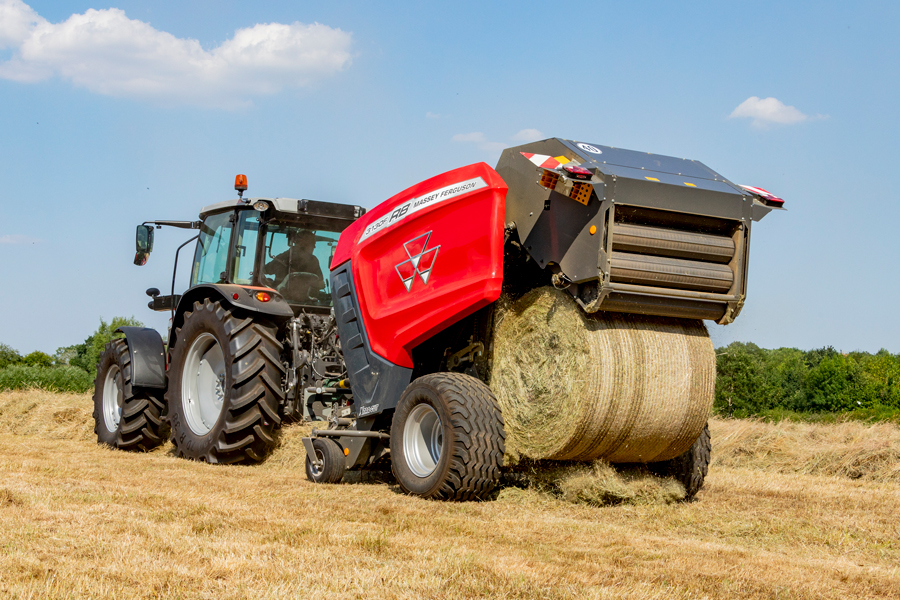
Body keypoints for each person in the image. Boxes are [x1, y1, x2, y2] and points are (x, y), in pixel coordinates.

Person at [263, 229, 324, 302]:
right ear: (303, 244)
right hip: (284, 300)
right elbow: (321, 284)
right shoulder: (283, 258)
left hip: (287, 300)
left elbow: (264, 270)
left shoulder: (283, 257)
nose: (314, 247)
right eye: (312, 244)